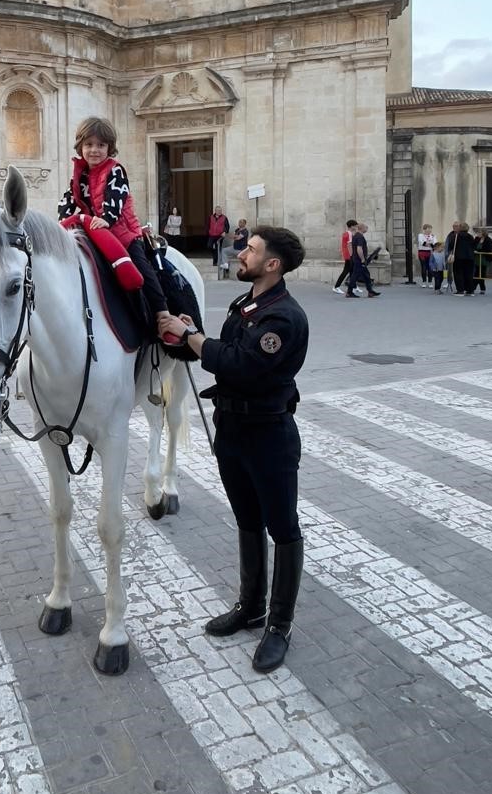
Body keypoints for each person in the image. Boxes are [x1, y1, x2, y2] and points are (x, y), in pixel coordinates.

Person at [163, 226, 308, 673]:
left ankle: (280, 625)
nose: (240, 253)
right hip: (233, 431)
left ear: (272, 265)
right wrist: (186, 332)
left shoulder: (282, 317)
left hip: (268, 436)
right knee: (247, 520)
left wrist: (191, 337)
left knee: (282, 528)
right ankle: (251, 606)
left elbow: (240, 363)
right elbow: (222, 349)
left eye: (250, 249)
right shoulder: (245, 304)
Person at [58, 116, 172, 337]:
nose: (94, 150)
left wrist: (108, 219)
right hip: (94, 231)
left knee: (141, 269)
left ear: (109, 148)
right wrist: (60, 223)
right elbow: (69, 199)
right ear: (80, 146)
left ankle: (162, 314)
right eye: (89, 144)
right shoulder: (79, 174)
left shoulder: (115, 170)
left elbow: (116, 197)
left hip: (122, 232)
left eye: (101, 145)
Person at [347, 223, 380, 298]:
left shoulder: (356, 236)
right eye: (366, 227)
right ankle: (349, 292)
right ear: (361, 228)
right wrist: (362, 259)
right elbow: (359, 249)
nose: (367, 228)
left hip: (357, 259)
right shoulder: (360, 237)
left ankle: (370, 292)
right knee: (355, 276)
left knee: (366, 275)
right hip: (359, 260)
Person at [332, 219, 357, 293]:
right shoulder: (349, 234)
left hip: (347, 255)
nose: (356, 227)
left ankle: (354, 287)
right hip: (349, 255)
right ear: (351, 226)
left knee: (351, 271)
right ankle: (336, 286)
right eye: (355, 226)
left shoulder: (346, 233)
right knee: (346, 271)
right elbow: (349, 245)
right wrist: (352, 255)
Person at [453, 223, 476, 296]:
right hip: (470, 257)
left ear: (460, 228)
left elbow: (452, 245)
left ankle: (460, 290)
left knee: (458, 273)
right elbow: (474, 245)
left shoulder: (456, 236)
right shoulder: (470, 236)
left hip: (459, 257)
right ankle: (470, 290)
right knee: (469, 274)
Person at [471, 228, 492, 294]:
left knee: (481, 273)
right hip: (477, 258)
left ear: (483, 233)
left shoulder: (488, 239)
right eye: (477, 233)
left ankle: (473, 288)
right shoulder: (476, 239)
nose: (478, 234)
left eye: (479, 233)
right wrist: (475, 250)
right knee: (477, 273)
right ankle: (482, 288)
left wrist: (478, 251)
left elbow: (488, 249)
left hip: (484, 259)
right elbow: (473, 246)